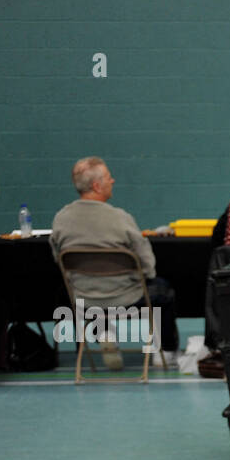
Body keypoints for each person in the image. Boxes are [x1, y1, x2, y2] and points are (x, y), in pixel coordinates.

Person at [50, 157, 178, 370]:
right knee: (163, 291)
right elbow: (147, 264)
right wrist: (143, 277)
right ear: (97, 185)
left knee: (68, 292)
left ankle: (105, 335)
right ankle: (165, 351)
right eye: (109, 178)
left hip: (84, 298)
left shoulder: (60, 219)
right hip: (127, 297)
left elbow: (58, 259)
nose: (113, 181)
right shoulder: (120, 218)